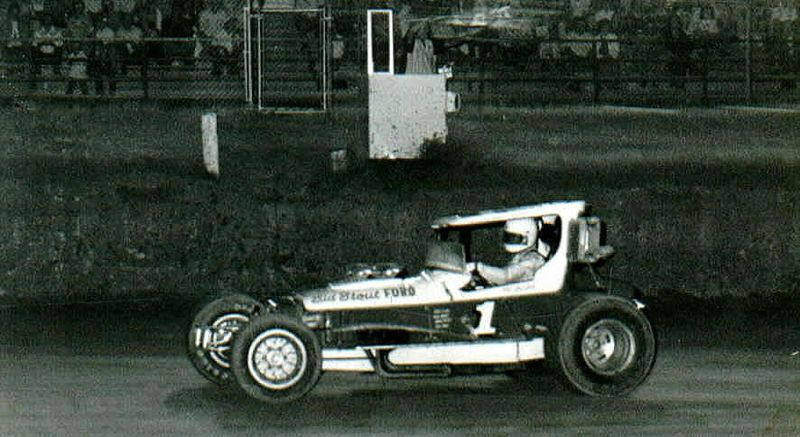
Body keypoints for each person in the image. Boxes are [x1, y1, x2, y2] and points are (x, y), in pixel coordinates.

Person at [471, 218, 546, 286]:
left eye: (514, 238)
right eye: (508, 237)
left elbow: (506, 276)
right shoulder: (521, 256)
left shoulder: (534, 260)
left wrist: (478, 267)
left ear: (527, 237)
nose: (511, 240)